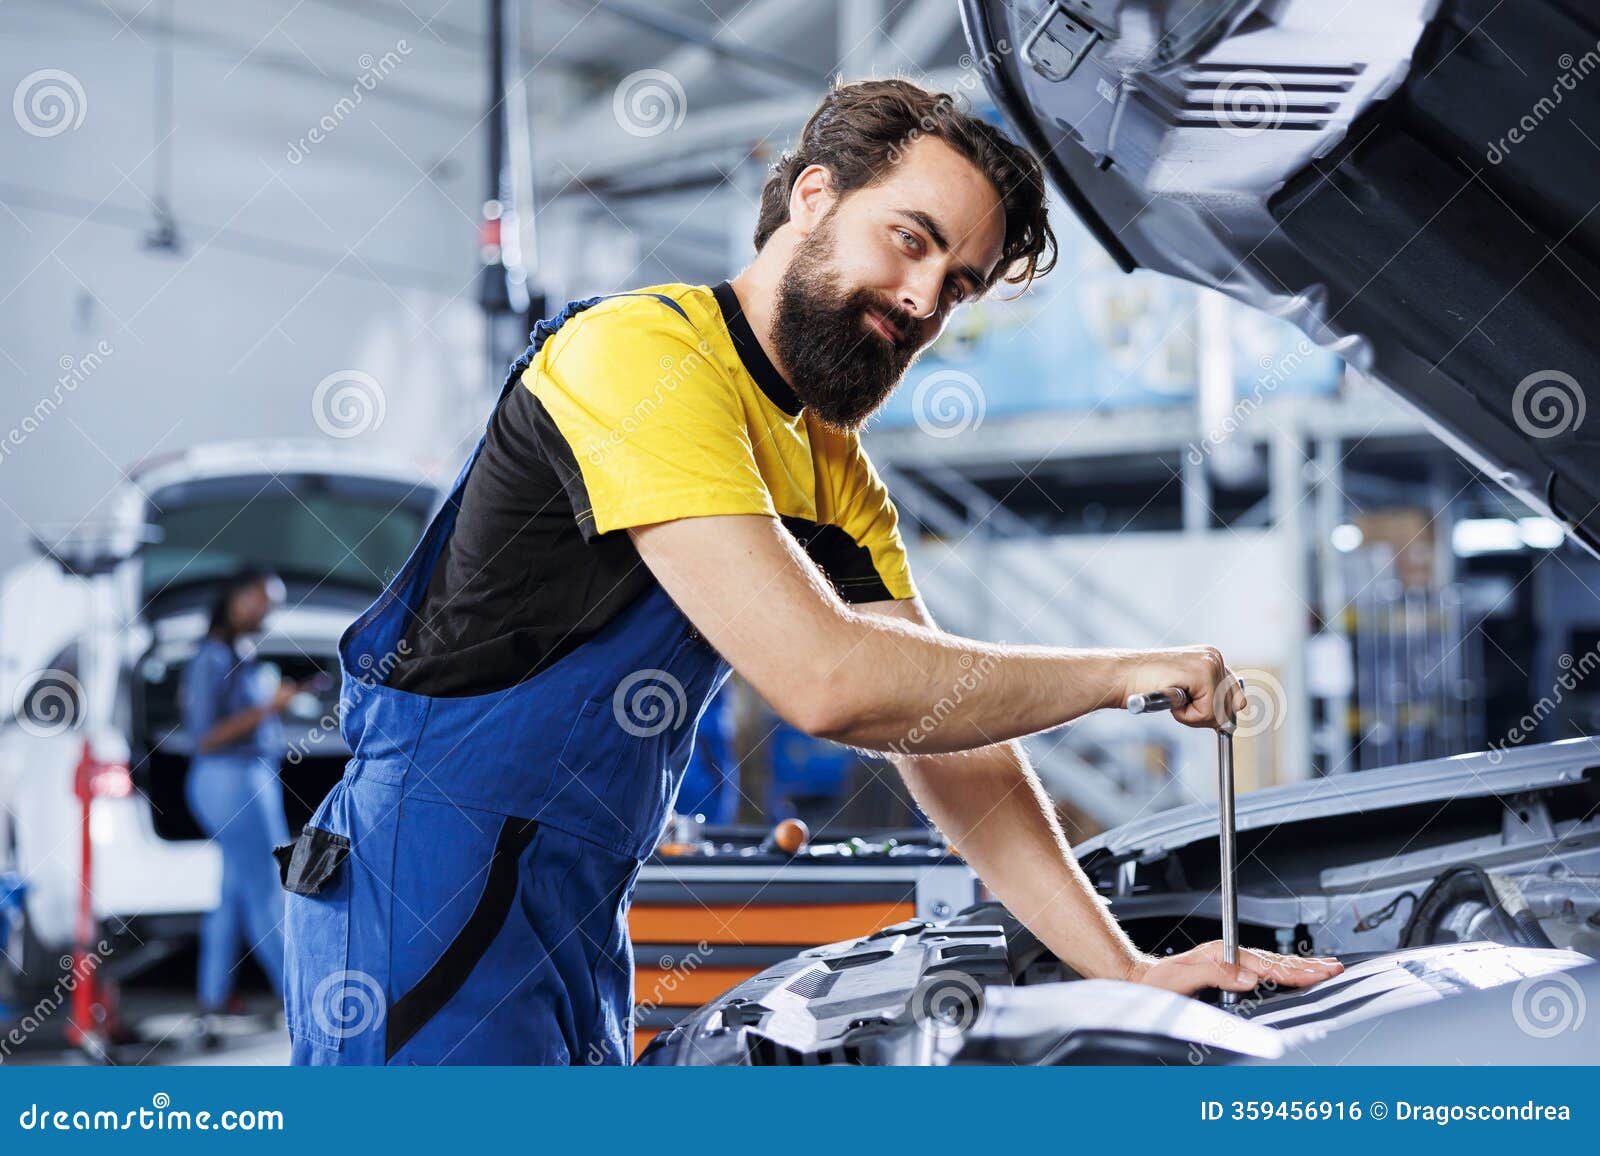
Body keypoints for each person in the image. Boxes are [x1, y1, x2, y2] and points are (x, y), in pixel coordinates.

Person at [281, 78, 1343, 1067]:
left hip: (571, 900)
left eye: (957, 283)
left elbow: (951, 741)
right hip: (421, 889)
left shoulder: (832, 469)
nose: (925, 298)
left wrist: (1128, 971)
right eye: (910, 241)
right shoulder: (641, 360)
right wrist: (1116, 673)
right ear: (812, 194)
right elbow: (826, 680)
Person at [181, 569, 300, 1021]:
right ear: (236, 598)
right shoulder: (212, 658)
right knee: (267, 890)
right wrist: (268, 708)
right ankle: (303, 1001)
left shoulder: (238, 653)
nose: (269, 610)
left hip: (242, 776)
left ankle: (213, 996)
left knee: (232, 892)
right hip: (230, 780)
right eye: (263, 599)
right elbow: (205, 737)